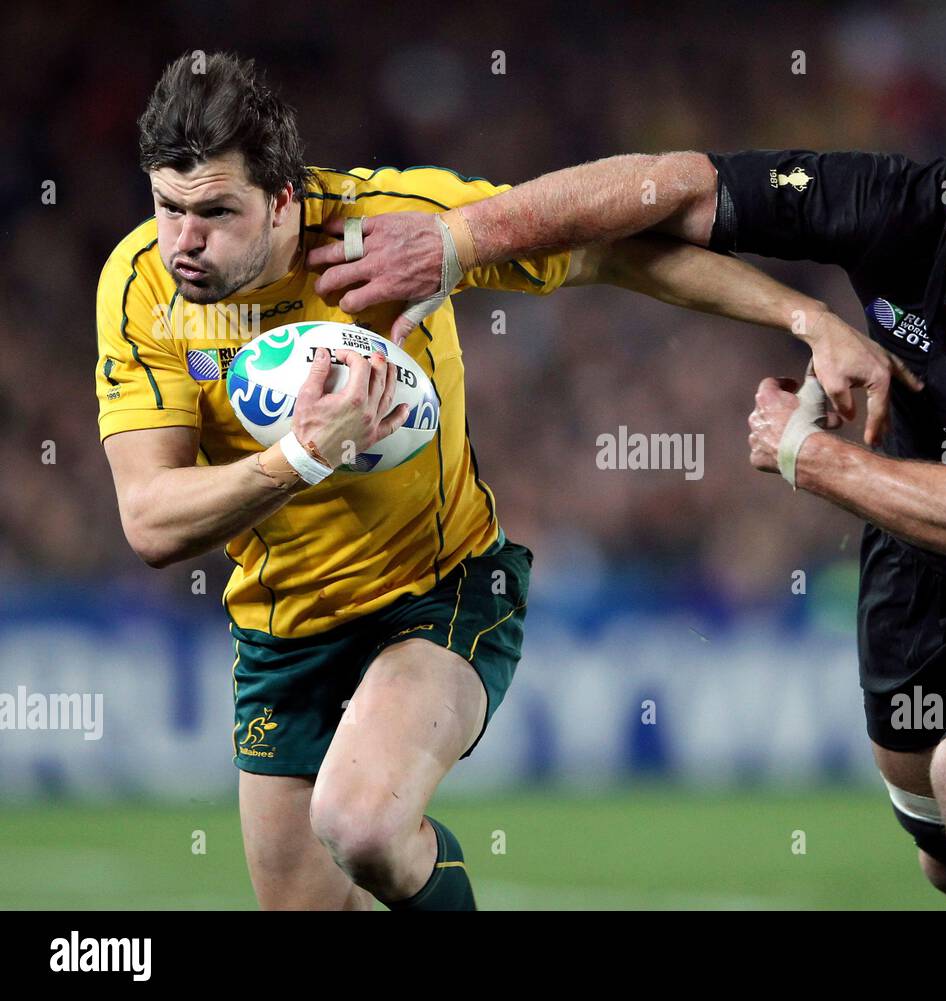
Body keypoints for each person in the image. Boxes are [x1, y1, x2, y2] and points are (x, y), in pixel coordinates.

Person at [317, 47, 946, 911]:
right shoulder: (905, 205)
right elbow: (674, 187)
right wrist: (456, 239)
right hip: (916, 571)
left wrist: (808, 454)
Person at [96, 51, 884, 910]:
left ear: (284, 197)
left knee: (360, 822)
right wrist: (304, 455)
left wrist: (805, 318)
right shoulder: (141, 290)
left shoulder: (397, 224)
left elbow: (613, 254)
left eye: (215, 211)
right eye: (168, 208)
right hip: (283, 626)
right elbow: (150, 520)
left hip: (440, 590)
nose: (184, 241)